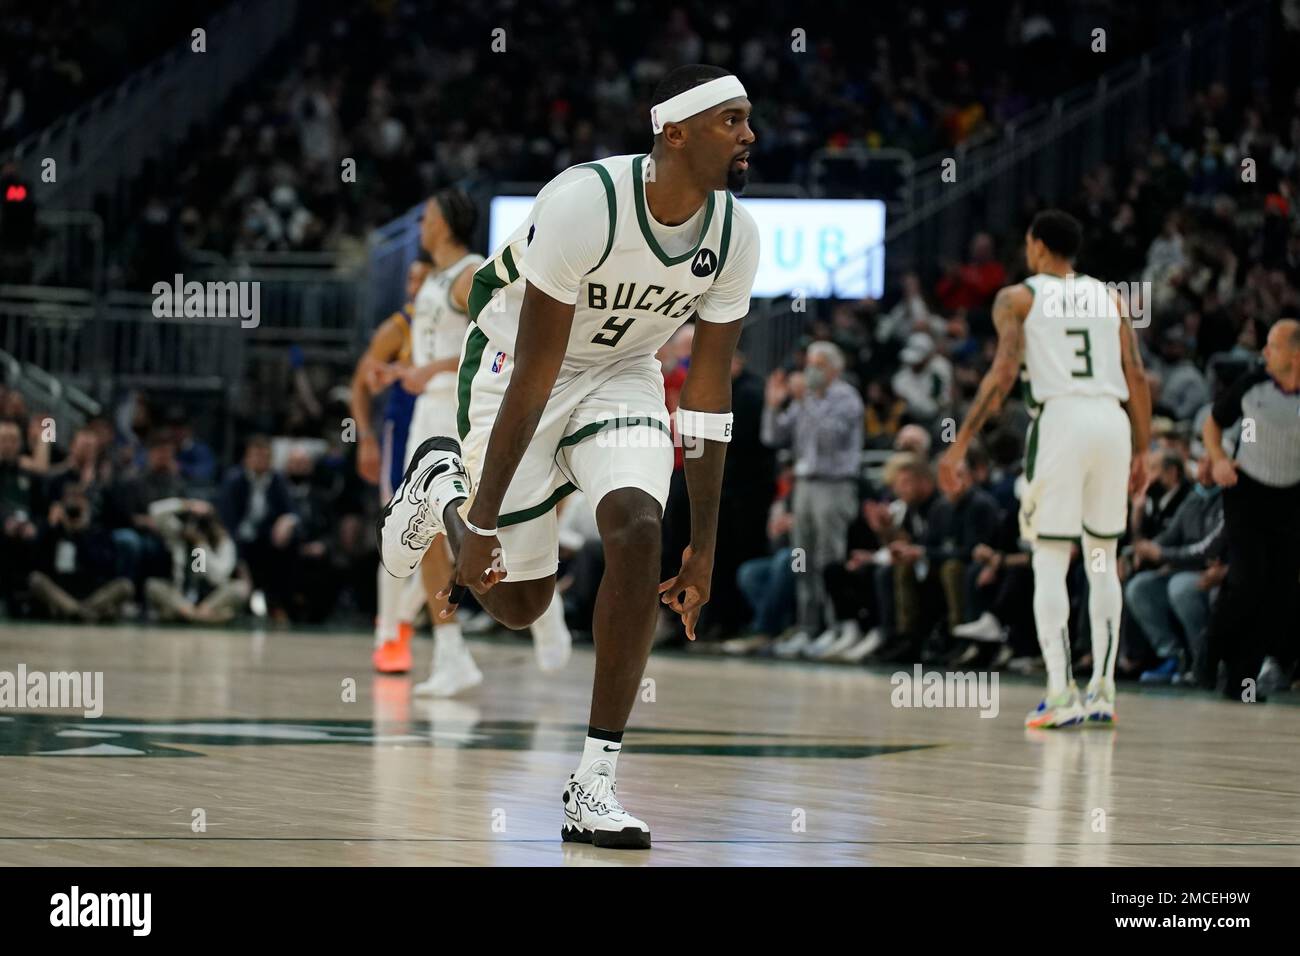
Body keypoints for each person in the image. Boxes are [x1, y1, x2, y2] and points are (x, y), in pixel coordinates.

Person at [379, 64, 759, 849]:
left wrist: (707, 548)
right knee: (521, 603)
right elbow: (536, 372)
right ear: (675, 132)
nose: (750, 134)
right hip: (516, 363)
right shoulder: (587, 201)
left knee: (635, 530)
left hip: (622, 376)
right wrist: (476, 523)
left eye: (749, 119)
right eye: (732, 120)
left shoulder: (734, 236)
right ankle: (441, 487)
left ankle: (594, 783)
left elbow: (711, 399)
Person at [940, 209, 1151, 728]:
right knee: (1103, 557)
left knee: (1051, 558)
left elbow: (1005, 370)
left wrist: (959, 443)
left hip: (1060, 420)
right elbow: (1137, 374)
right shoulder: (1111, 297)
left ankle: (1060, 693)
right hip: (1112, 420)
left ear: (1035, 246)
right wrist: (1142, 449)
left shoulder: (1018, 297)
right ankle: (1104, 689)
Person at [1199, 318, 1300, 699]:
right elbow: (1213, 422)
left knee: (1279, 593)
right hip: (1247, 492)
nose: (1264, 353)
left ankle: (1242, 681)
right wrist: (1218, 458)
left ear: (1295, 355)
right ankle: (1211, 648)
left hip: (1290, 498)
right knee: (1248, 578)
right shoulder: (1252, 383)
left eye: (1272, 346)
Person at [760, 341, 864, 657]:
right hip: (804, 486)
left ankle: (837, 626)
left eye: (818, 364)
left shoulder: (846, 399)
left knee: (828, 560)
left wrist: (806, 400)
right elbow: (773, 436)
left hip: (833, 485)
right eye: (809, 363)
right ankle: (808, 627)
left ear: (835, 369)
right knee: (802, 559)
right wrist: (774, 405)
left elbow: (830, 439)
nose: (810, 370)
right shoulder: (805, 399)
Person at [350, 254, 429, 671]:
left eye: (423, 279)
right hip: (403, 437)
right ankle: (389, 633)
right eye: (412, 279)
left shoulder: (469, 317)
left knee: (448, 540)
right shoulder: (400, 325)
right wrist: (365, 437)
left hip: (451, 431)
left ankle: (402, 619)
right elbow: (362, 380)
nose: (415, 287)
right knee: (402, 534)